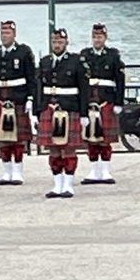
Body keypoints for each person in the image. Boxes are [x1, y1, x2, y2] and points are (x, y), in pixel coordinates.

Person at [36, 28, 90, 199]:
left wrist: (84, 114)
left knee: (68, 150)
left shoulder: (76, 62)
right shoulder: (45, 61)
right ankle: (57, 184)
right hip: (48, 108)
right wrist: (37, 110)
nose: (57, 45)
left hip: (70, 108)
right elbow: (38, 88)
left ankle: (68, 184)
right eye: (54, 42)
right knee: (53, 150)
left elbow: (84, 90)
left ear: (67, 43)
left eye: (60, 42)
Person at [0, 19, 36, 186]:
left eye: (7, 33)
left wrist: (30, 98)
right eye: (2, 33)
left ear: (14, 34)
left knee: (18, 139)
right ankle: (7, 172)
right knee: (3, 138)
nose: (4, 36)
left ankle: (18, 172)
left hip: (18, 97)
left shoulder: (24, 52)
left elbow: (31, 77)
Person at [80, 23, 125, 185]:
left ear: (105, 38)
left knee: (105, 139)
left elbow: (120, 81)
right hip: (90, 101)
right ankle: (94, 170)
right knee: (92, 138)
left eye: (100, 37)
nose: (97, 40)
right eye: (94, 37)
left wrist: (119, 102)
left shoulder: (113, 56)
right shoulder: (84, 55)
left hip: (107, 100)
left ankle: (105, 170)